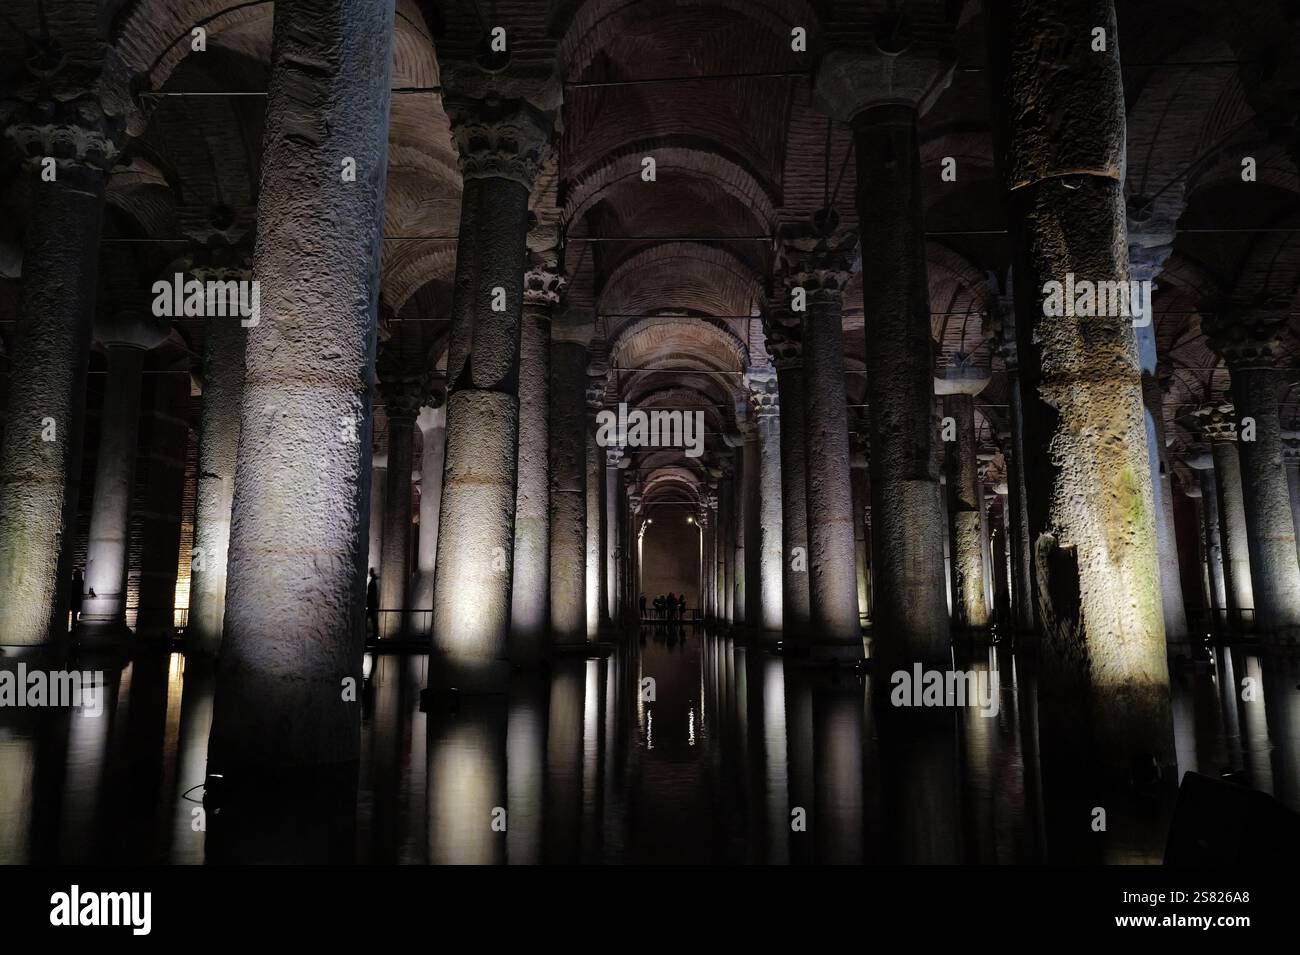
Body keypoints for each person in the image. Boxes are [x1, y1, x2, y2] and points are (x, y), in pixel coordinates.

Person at [366, 568, 379, 638]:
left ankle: (375, 634)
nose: (369, 573)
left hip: (371, 603)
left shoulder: (373, 581)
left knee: (372, 619)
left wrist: (370, 602)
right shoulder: (373, 580)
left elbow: (372, 593)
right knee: (373, 619)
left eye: (370, 572)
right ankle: (375, 634)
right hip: (371, 603)